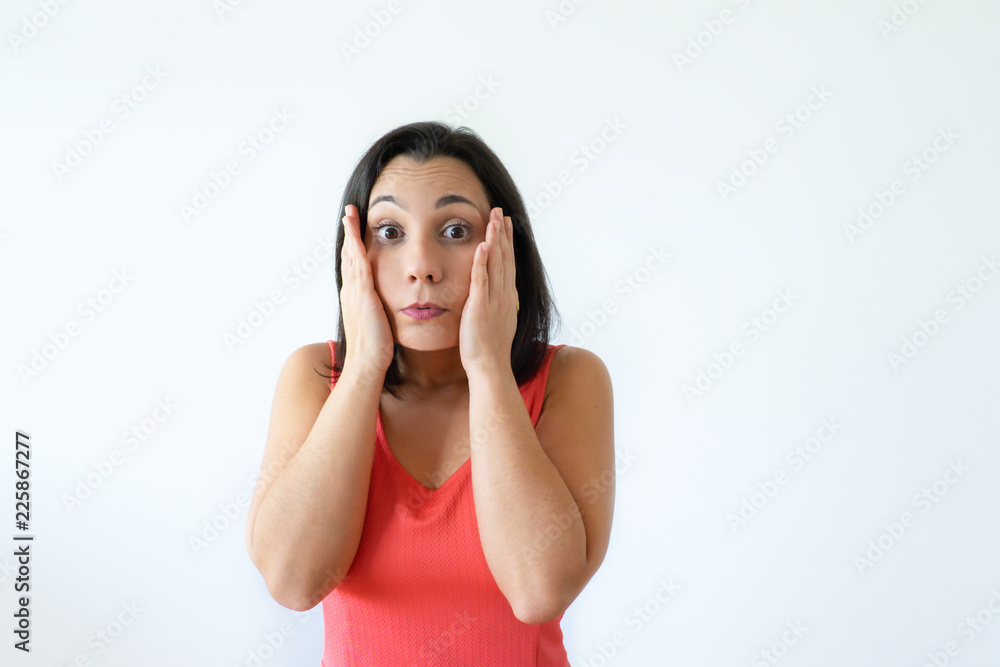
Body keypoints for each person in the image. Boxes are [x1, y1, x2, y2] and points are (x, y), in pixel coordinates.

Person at [244, 121, 615, 665]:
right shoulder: (316, 377)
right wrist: (367, 365)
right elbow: (294, 583)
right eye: (390, 232)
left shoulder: (569, 381)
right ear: (355, 254)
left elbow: (538, 592)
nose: (421, 267)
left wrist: (488, 364)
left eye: (456, 231)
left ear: (505, 247)